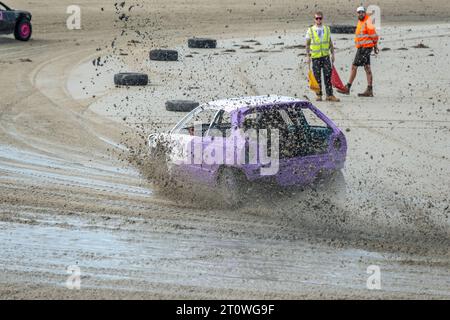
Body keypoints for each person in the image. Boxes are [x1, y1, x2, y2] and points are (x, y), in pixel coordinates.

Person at [338, 6, 379, 97]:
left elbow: (374, 35)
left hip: (365, 48)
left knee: (354, 66)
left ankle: (347, 87)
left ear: (365, 13)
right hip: (362, 48)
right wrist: (374, 46)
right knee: (367, 67)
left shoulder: (367, 22)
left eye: (362, 12)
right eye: (359, 12)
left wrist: (375, 45)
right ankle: (369, 90)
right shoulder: (360, 22)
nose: (361, 14)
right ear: (357, 14)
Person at [305, 11, 340, 102]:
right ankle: (319, 95)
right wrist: (308, 56)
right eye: (317, 18)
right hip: (315, 57)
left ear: (322, 19)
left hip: (325, 56)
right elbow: (307, 45)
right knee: (317, 76)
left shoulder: (327, 29)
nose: (318, 20)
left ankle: (329, 95)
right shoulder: (311, 30)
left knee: (328, 76)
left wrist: (333, 54)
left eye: (320, 18)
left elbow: (330, 42)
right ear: (314, 19)